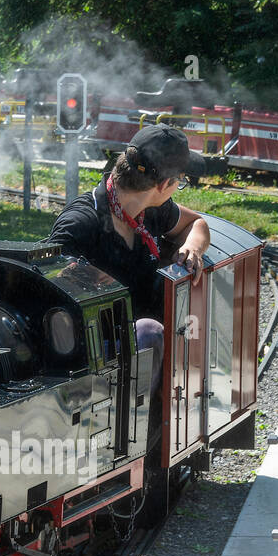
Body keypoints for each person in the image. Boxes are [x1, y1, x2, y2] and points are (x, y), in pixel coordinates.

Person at [50, 124, 210, 397]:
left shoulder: (152, 211)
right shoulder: (80, 224)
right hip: (90, 362)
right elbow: (48, 277)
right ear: (163, 185)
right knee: (149, 330)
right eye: (180, 181)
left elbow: (197, 223)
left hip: (141, 353)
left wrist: (193, 248)